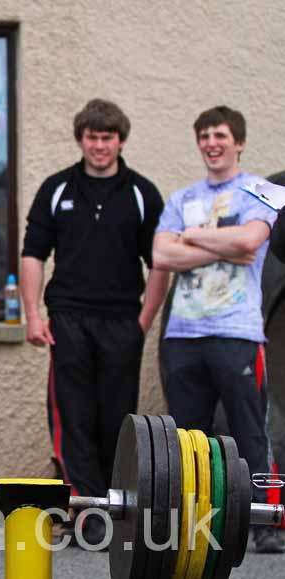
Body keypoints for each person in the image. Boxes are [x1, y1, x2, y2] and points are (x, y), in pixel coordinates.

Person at [20, 98, 167, 545]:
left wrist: (143, 321)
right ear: (80, 139)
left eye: (107, 138)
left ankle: (116, 507)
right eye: (92, 137)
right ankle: (87, 511)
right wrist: (32, 315)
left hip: (123, 321)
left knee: (117, 419)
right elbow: (32, 255)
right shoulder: (57, 189)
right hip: (68, 319)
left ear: (120, 140)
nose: (99, 145)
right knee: (73, 417)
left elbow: (160, 262)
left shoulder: (143, 192)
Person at [153, 105, 284, 554]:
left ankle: (267, 524)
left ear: (239, 142)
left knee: (251, 433)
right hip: (183, 335)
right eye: (205, 135)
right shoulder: (181, 199)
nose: (212, 143)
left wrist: (190, 237)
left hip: (239, 333)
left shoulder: (262, 192)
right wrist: (220, 245)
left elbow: (250, 242)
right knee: (189, 439)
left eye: (221, 136)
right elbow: (161, 256)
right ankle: (195, 527)